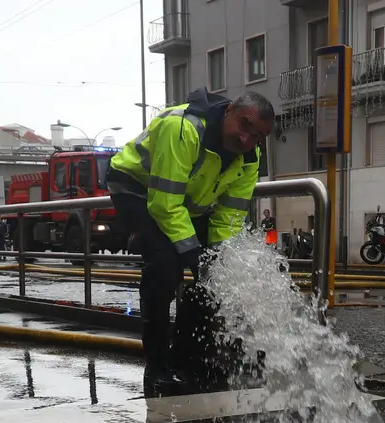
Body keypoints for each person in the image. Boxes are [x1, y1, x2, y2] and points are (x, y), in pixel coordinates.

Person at [108, 87, 272, 395]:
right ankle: (157, 367)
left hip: (184, 202)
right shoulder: (183, 128)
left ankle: (187, 360)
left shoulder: (250, 158)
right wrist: (194, 255)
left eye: (257, 136)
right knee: (164, 266)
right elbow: (164, 205)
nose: (245, 139)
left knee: (213, 274)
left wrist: (215, 262)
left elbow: (229, 217)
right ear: (228, 112)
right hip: (137, 188)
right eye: (244, 125)